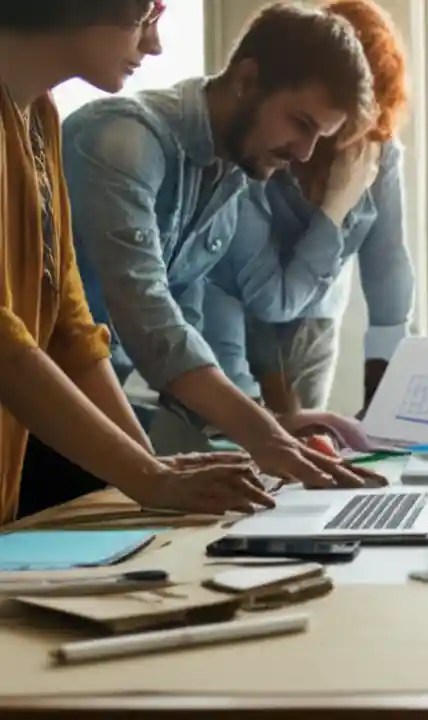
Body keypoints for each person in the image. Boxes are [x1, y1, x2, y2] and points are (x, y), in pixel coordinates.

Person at [61, 2, 383, 489]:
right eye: (301, 123)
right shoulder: (123, 140)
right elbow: (149, 318)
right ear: (247, 80)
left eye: (320, 136)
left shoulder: (229, 180)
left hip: (91, 419)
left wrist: (270, 423)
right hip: (29, 422)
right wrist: (261, 434)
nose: (304, 153)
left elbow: (189, 327)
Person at [0, 0, 279, 522]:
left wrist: (154, 468)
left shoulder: (39, 115)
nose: (154, 43)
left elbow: (71, 329)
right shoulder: (118, 135)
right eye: (147, 14)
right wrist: (149, 477)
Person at [193, 0, 412, 445]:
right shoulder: (263, 145)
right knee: (238, 441)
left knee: (308, 451)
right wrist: (334, 210)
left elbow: (389, 277)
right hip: (237, 312)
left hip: (314, 321)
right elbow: (263, 297)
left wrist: (380, 409)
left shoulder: (377, 153)